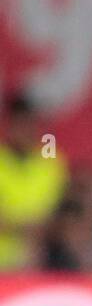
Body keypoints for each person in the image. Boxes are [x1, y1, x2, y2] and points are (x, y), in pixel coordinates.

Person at [0, 92, 68, 273]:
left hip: (39, 257)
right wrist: (27, 225)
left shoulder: (50, 160)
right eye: (19, 123)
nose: (25, 130)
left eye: (29, 123)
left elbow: (60, 214)